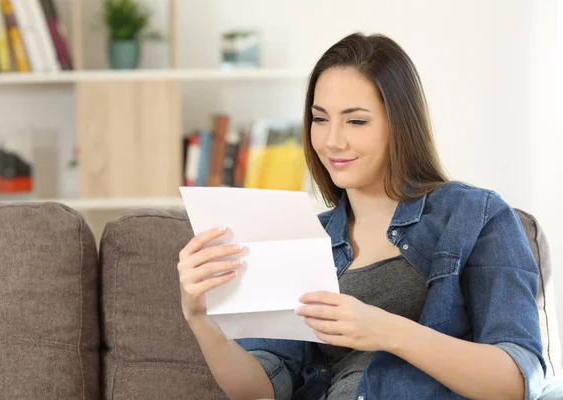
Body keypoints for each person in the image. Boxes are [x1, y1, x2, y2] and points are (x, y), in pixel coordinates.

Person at [176, 32, 563, 399]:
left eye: (356, 120)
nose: (332, 141)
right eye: (320, 118)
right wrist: (200, 319)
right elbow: (259, 389)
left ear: (400, 124)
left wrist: (386, 330)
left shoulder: (474, 216)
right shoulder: (301, 236)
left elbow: (518, 378)